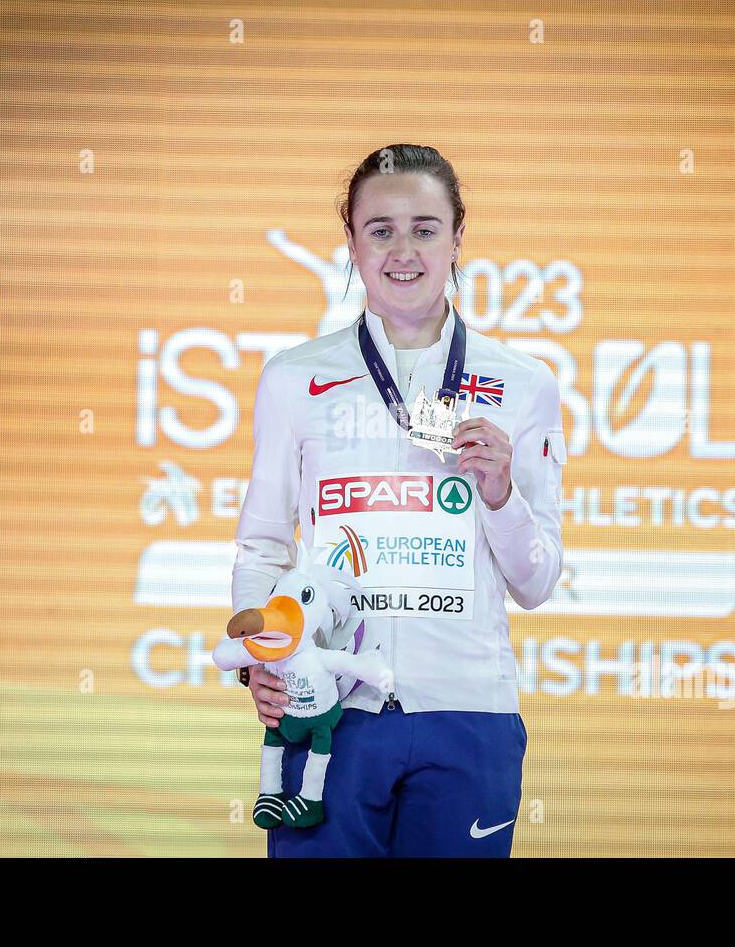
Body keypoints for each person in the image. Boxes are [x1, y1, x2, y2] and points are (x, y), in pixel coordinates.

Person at [231, 144, 567, 857]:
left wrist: (502, 494)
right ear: (350, 242)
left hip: (468, 714)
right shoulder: (295, 379)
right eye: (379, 229)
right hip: (328, 709)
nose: (403, 249)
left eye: (425, 227)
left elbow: (537, 581)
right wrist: (261, 658)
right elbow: (263, 542)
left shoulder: (524, 384)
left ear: (457, 238)